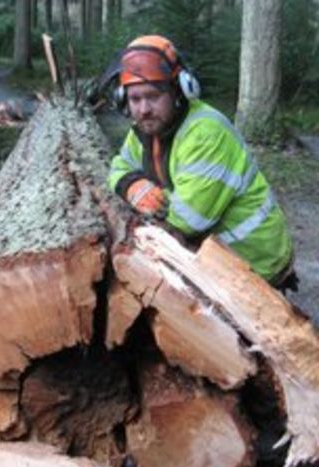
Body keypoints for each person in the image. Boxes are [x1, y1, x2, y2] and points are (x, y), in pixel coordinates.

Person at [107, 35, 296, 289]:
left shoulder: (205, 133)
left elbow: (187, 220)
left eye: (153, 96)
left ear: (179, 90)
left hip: (255, 263)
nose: (144, 109)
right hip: (214, 258)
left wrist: (150, 204)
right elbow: (118, 166)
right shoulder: (146, 130)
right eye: (135, 99)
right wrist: (132, 184)